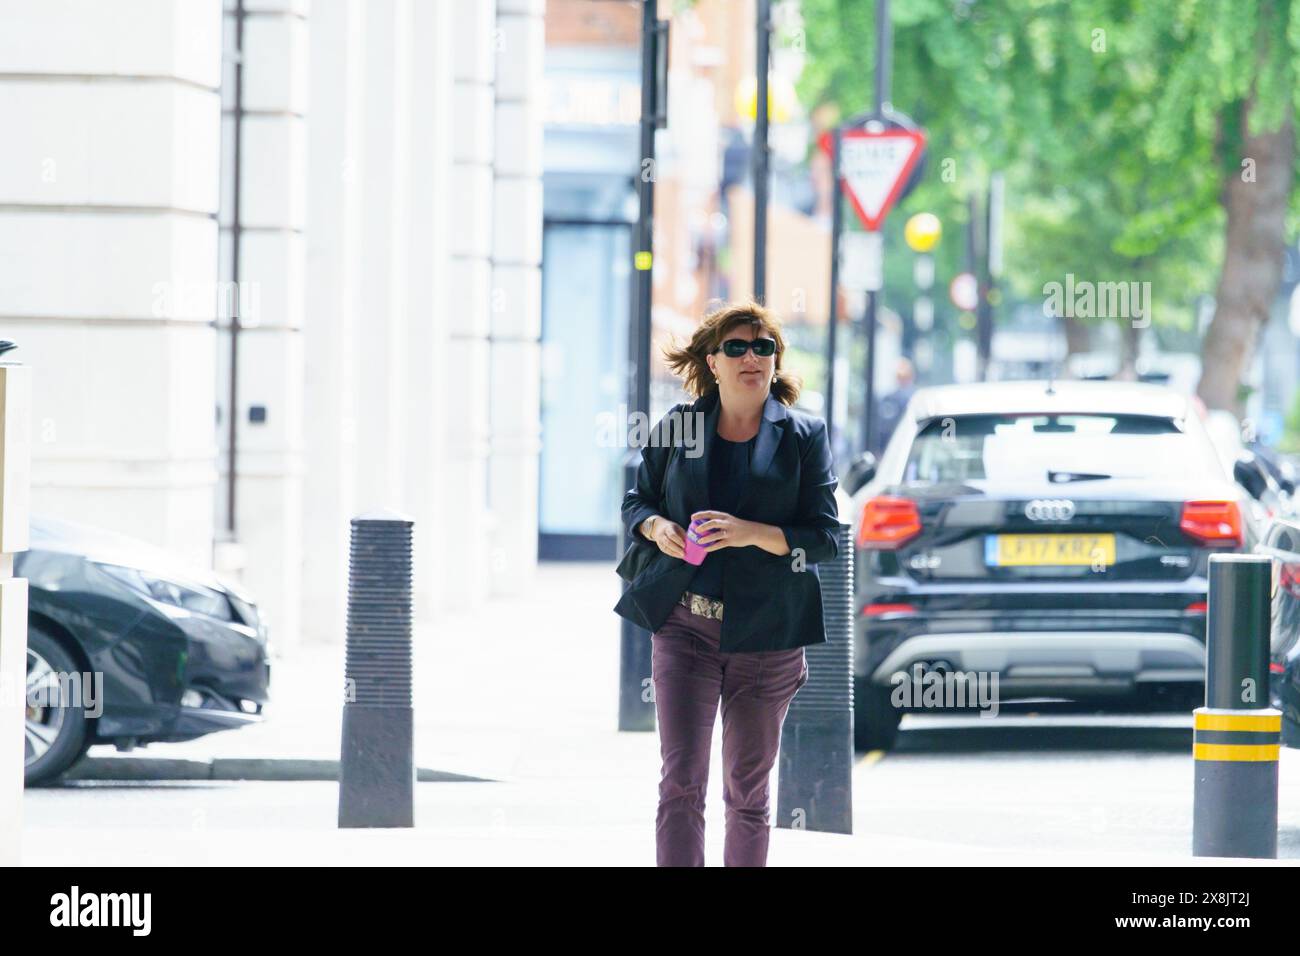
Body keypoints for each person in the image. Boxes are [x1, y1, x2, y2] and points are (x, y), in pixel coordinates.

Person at [613, 300, 840, 866]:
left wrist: (749, 533)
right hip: (686, 626)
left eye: (763, 347)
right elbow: (637, 499)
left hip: (768, 636)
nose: (751, 357)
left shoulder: (803, 435)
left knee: (747, 794)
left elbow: (825, 537)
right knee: (681, 783)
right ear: (712, 362)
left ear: (775, 360)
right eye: (736, 347)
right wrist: (656, 525)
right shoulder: (682, 427)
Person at [871, 357, 916, 457]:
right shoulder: (889, 399)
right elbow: (882, 429)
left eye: (905, 376)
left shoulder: (917, 399)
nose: (902, 379)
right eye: (900, 376)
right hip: (890, 450)